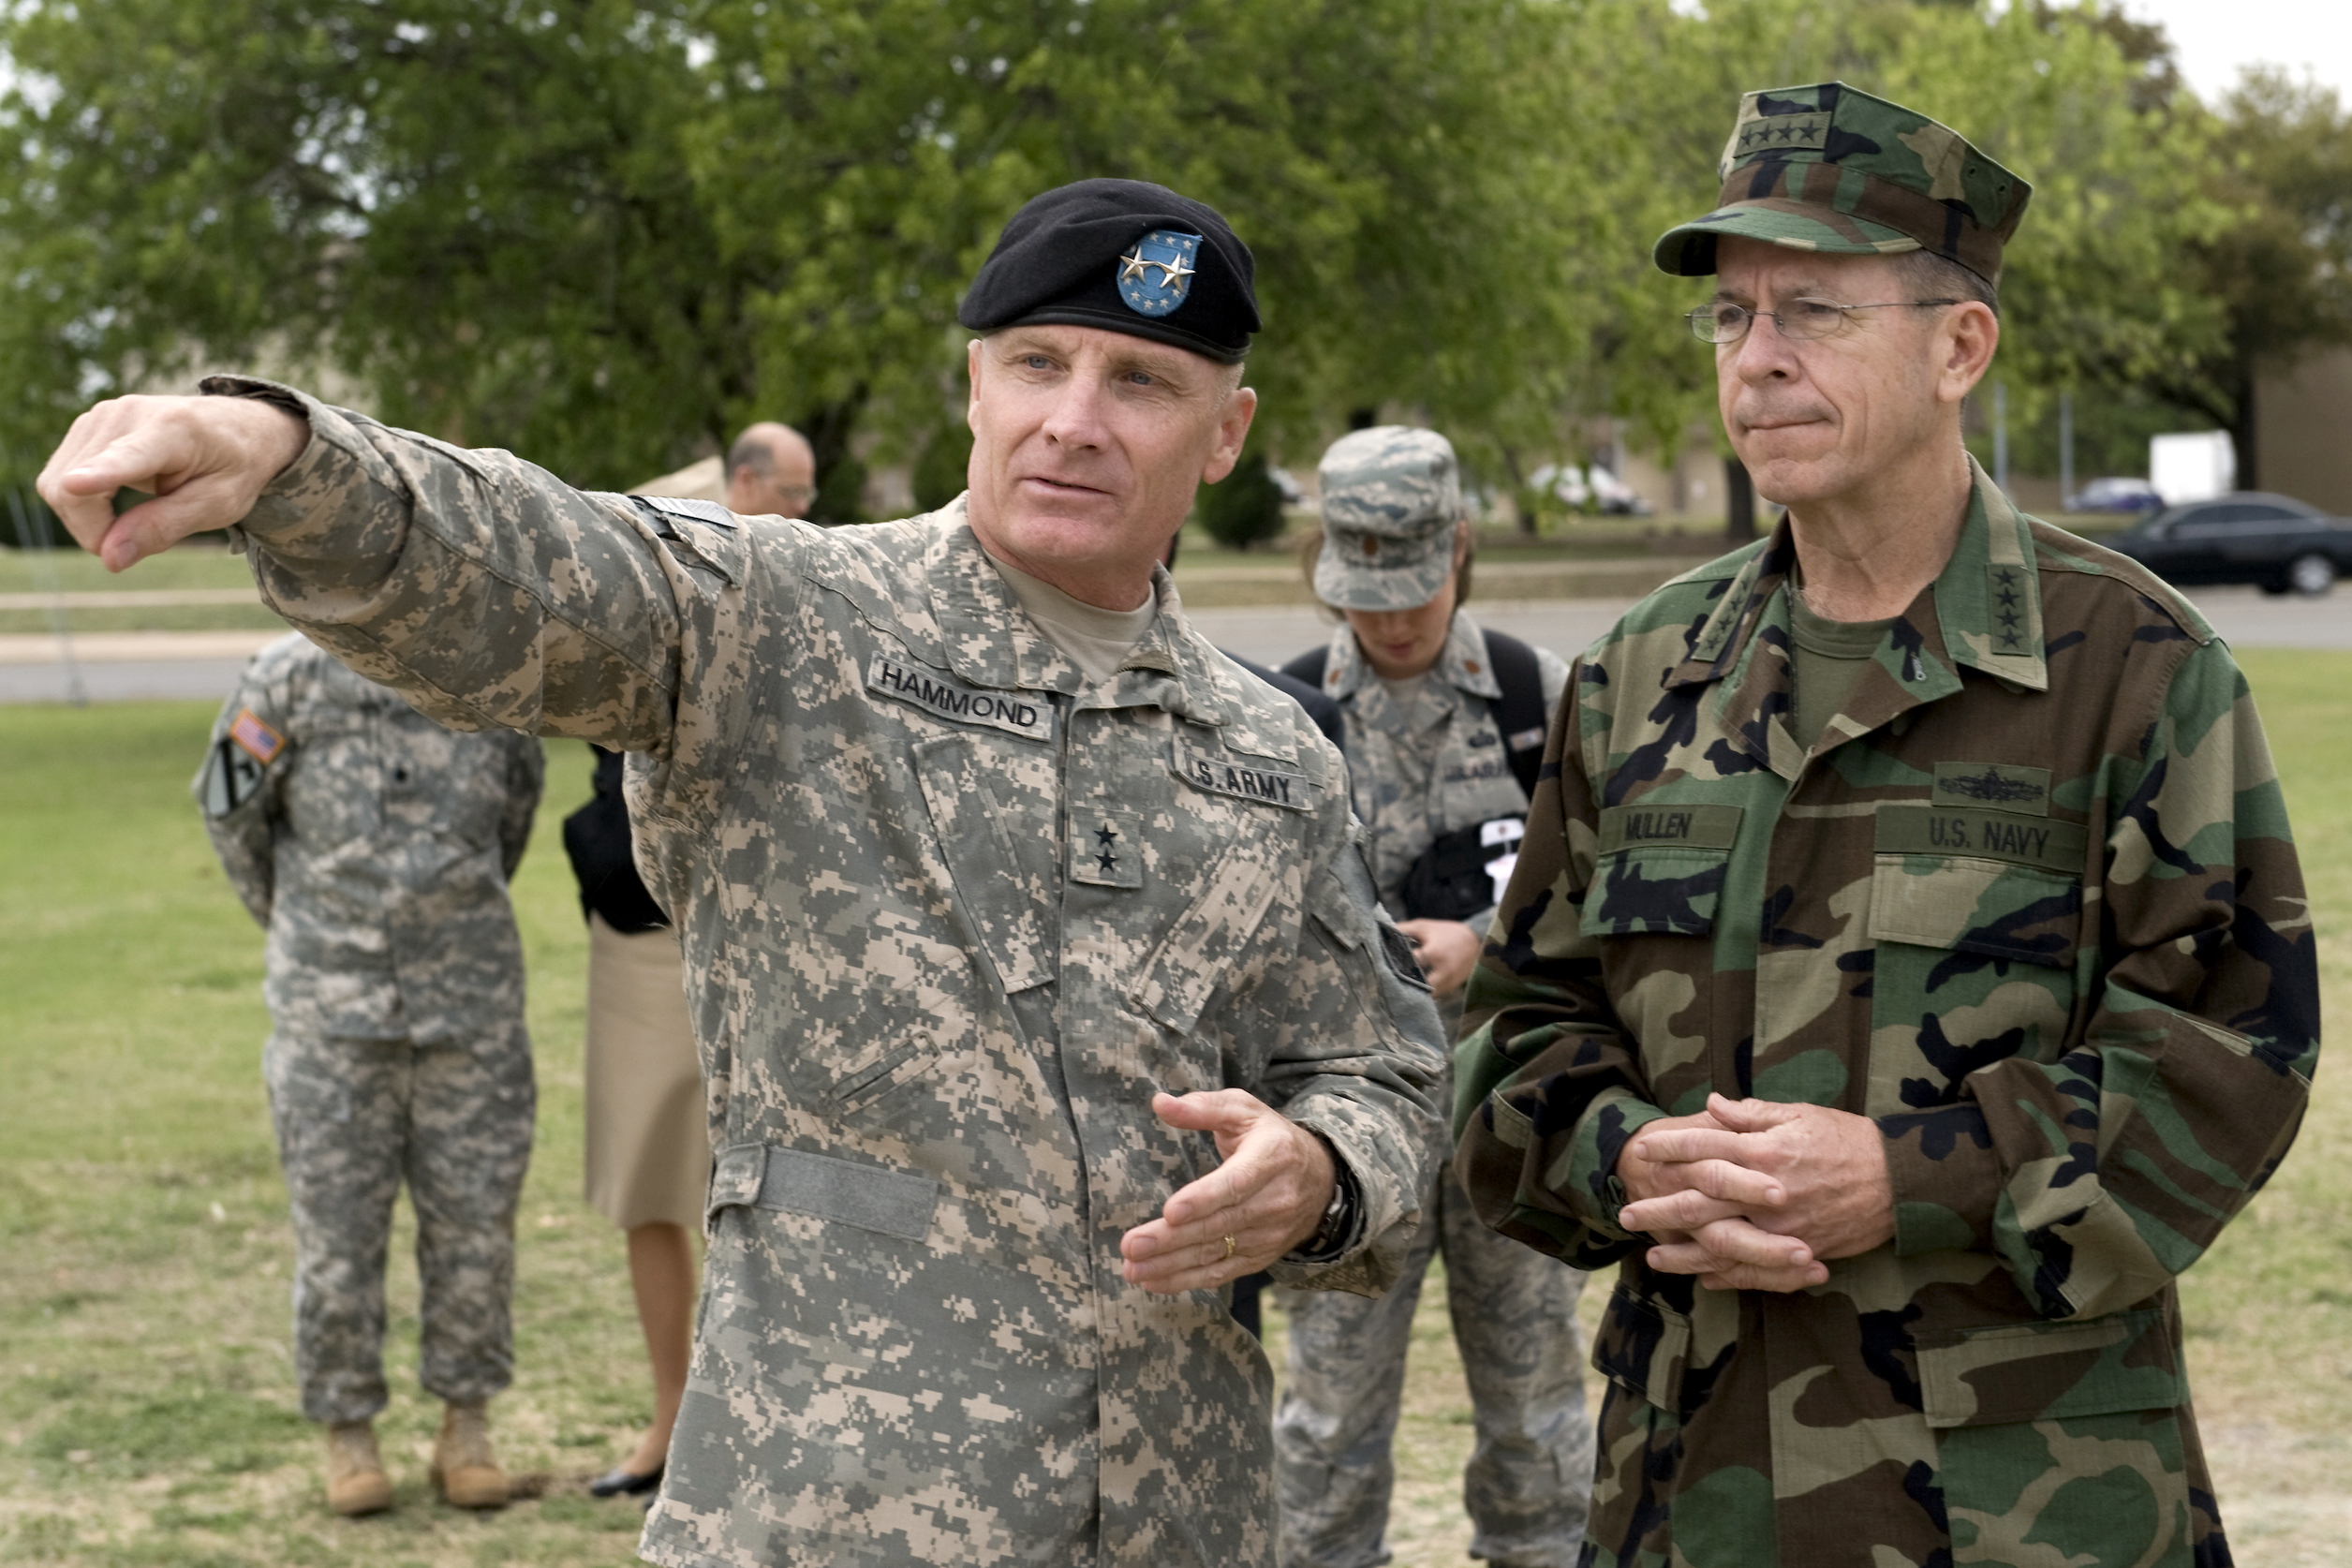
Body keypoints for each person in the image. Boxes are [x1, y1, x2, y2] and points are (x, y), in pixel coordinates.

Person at [50, 177, 1447, 1568]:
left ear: (1226, 433)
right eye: (1037, 363)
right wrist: (290, 460)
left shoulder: (1270, 749)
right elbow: (533, 561)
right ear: (974, 385)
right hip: (829, 1512)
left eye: (1140, 379)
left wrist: (1319, 1171)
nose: (1073, 419)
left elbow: (1382, 1070)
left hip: (1177, 1516)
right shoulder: (783, 624)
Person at [1451, 81, 2317, 1567]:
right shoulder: (1642, 672)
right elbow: (1522, 1029)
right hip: (1688, 1484)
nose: (1756, 362)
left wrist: (1905, 1176)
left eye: (1811, 311)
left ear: (1956, 344)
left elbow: (2230, 1056)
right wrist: (1624, 1158)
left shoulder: (2131, 666)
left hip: (2019, 1498)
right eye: (1729, 319)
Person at [1271, 425, 1589, 1568]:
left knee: (1538, 1413)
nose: (1394, 618)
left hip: (1507, 1112)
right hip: (1349, 1129)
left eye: (1418, 585)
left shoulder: (1535, 696)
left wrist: (1486, 943)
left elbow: (1609, 900)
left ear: (1461, 548)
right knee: (1326, 1424)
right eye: (1366, 592)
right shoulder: (1281, 711)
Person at [193, 630, 544, 1516]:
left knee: (476, 1232)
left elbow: (516, 812)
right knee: (338, 1243)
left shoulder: (489, 671)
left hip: (470, 1011)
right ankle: (347, 1435)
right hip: (331, 1022)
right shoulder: (283, 679)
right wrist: (302, 931)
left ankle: (466, 1427)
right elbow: (227, 809)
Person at [563, 744, 711, 1501]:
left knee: (783, 1184)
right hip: (638, 916)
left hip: (773, 899)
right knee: (645, 1180)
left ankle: (751, 1423)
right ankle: (672, 1413)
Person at [721, 421, 818, 519]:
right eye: (791, 492)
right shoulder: (708, 531)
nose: (803, 507)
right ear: (746, 480)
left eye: (806, 494)